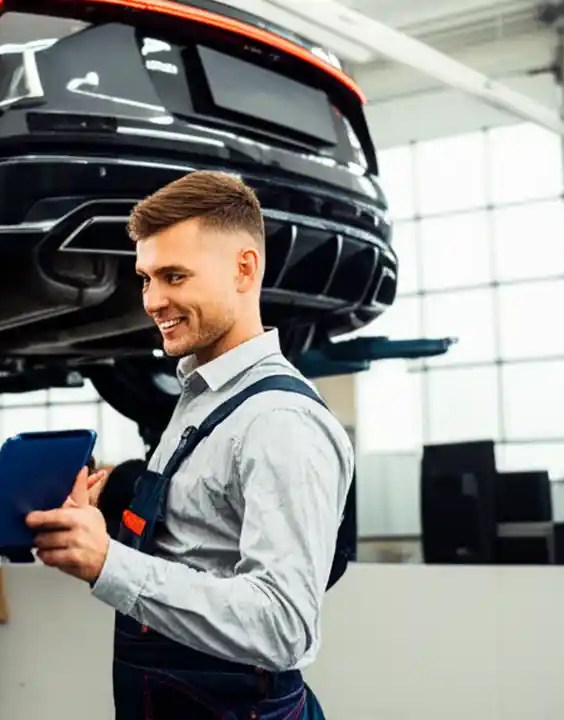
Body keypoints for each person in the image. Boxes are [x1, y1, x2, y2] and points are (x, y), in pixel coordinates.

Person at [26, 170, 354, 719]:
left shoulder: (280, 422)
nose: (153, 300)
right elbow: (192, 547)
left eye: (175, 276)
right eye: (146, 278)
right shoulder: (199, 397)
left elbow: (285, 626)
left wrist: (110, 564)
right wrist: (102, 528)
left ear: (244, 268)